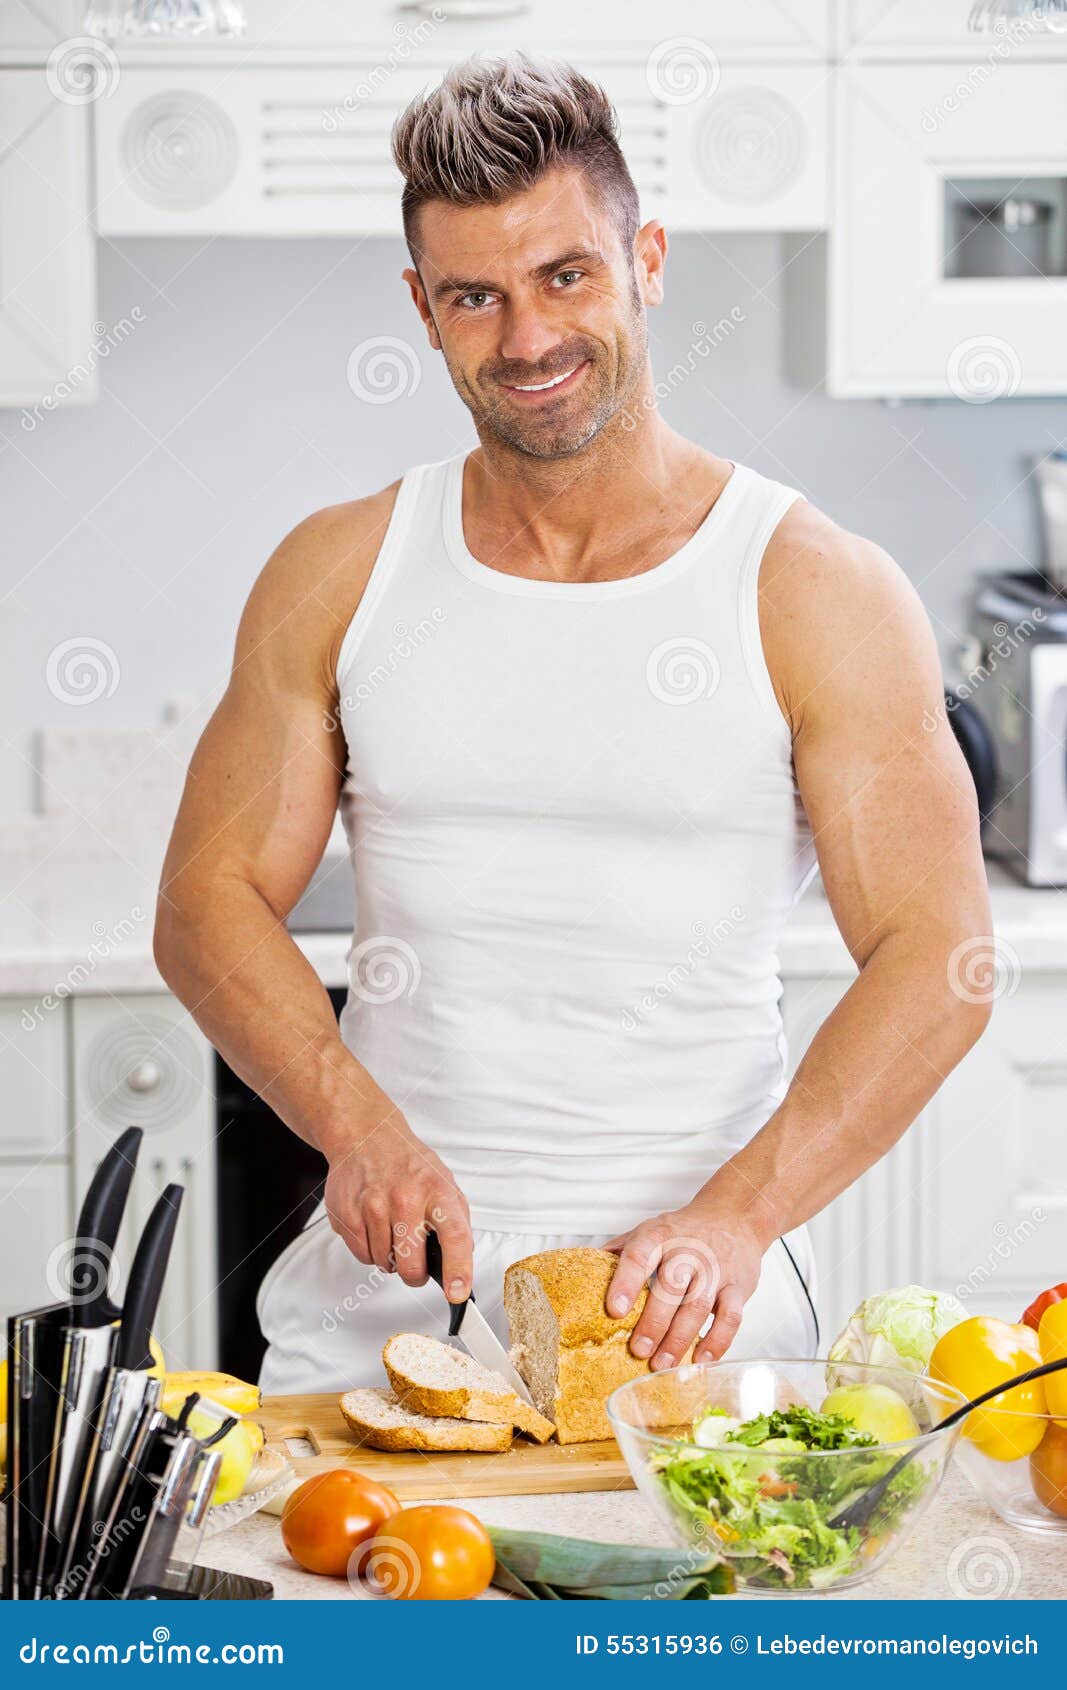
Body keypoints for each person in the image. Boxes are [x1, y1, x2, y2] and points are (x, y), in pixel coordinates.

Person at [154, 55, 992, 1393]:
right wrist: (352, 1123)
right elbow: (204, 902)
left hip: (690, 1316)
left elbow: (939, 951)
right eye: (475, 295)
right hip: (389, 1311)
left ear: (646, 260)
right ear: (421, 310)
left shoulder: (810, 584)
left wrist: (742, 1215)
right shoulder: (338, 570)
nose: (527, 338)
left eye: (566, 276)